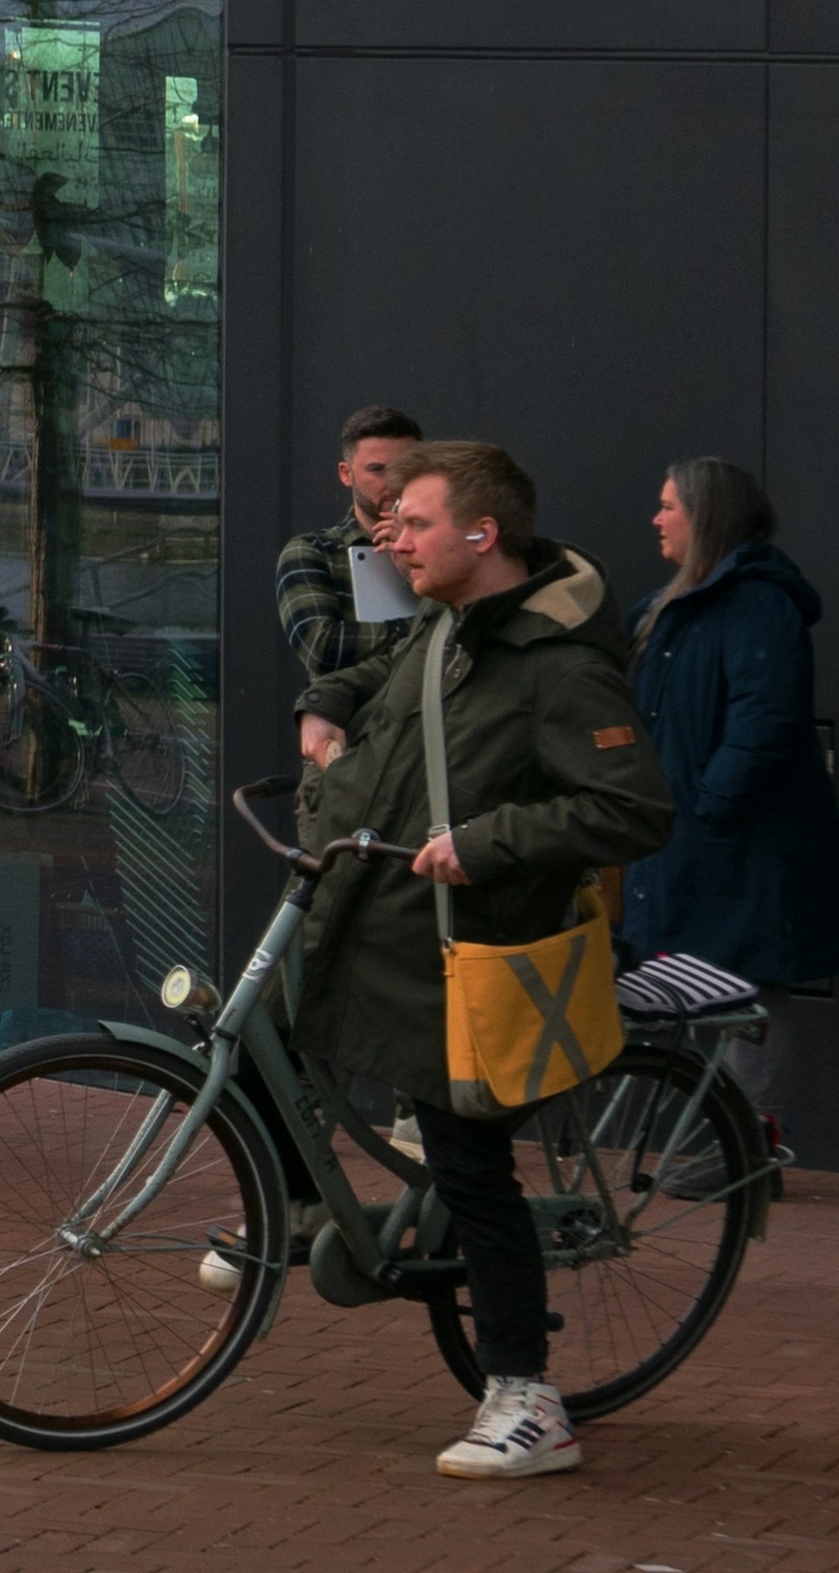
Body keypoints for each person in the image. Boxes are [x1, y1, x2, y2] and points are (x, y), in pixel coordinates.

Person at [294, 439, 670, 1482]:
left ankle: (526, 1397)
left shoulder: (558, 666)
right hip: (385, 924)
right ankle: (295, 1215)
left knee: (470, 1167)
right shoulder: (448, 626)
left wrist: (485, 841)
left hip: (476, 948)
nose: (388, 536)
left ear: (479, 532)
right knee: (290, 1029)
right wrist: (322, 701)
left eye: (410, 521)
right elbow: (393, 675)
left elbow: (631, 807)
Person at [621, 457, 839, 1126]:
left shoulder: (758, 604)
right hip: (689, 834)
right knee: (698, 978)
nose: (655, 518)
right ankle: (717, 1142)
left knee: (748, 982)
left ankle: (746, 1142)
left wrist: (709, 805)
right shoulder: (674, 609)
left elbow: (764, 719)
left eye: (669, 506)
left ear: (708, 514)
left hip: (741, 837)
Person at [278, 401, 426, 686]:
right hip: (359, 721)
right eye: (377, 470)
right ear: (347, 474)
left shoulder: (447, 545)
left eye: (405, 468)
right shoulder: (315, 551)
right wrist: (430, 628)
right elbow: (322, 648)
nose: (393, 482)